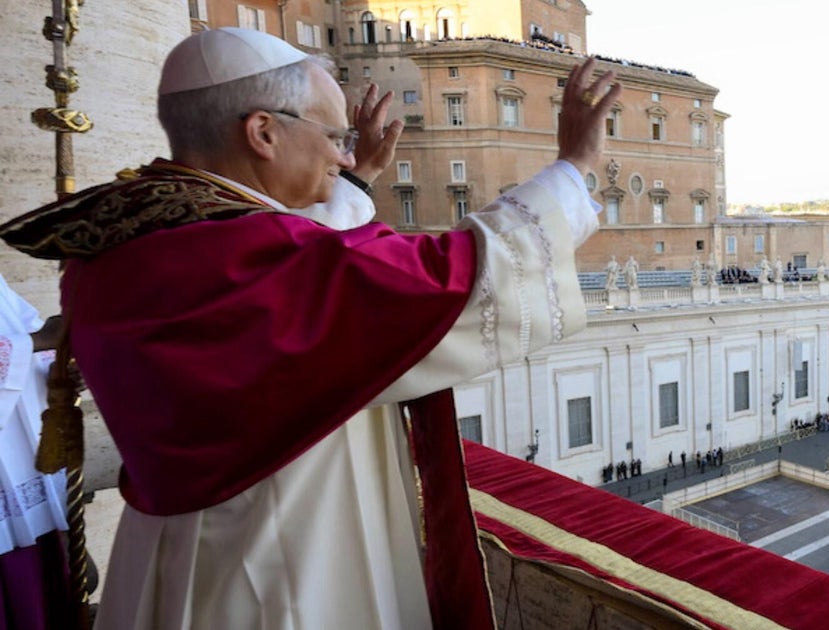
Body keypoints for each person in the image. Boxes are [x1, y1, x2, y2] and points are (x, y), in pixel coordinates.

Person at [0, 27, 622, 630]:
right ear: (263, 131)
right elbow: (451, 277)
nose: (345, 153)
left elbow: (302, 251)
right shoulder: (247, 259)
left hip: (178, 548)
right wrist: (572, 167)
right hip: (274, 565)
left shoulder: (134, 234)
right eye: (333, 136)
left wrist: (351, 183)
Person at [0, 275, 70, 629]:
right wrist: (41, 340)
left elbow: (29, 331)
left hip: (23, 463)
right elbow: (37, 337)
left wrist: (59, 365)